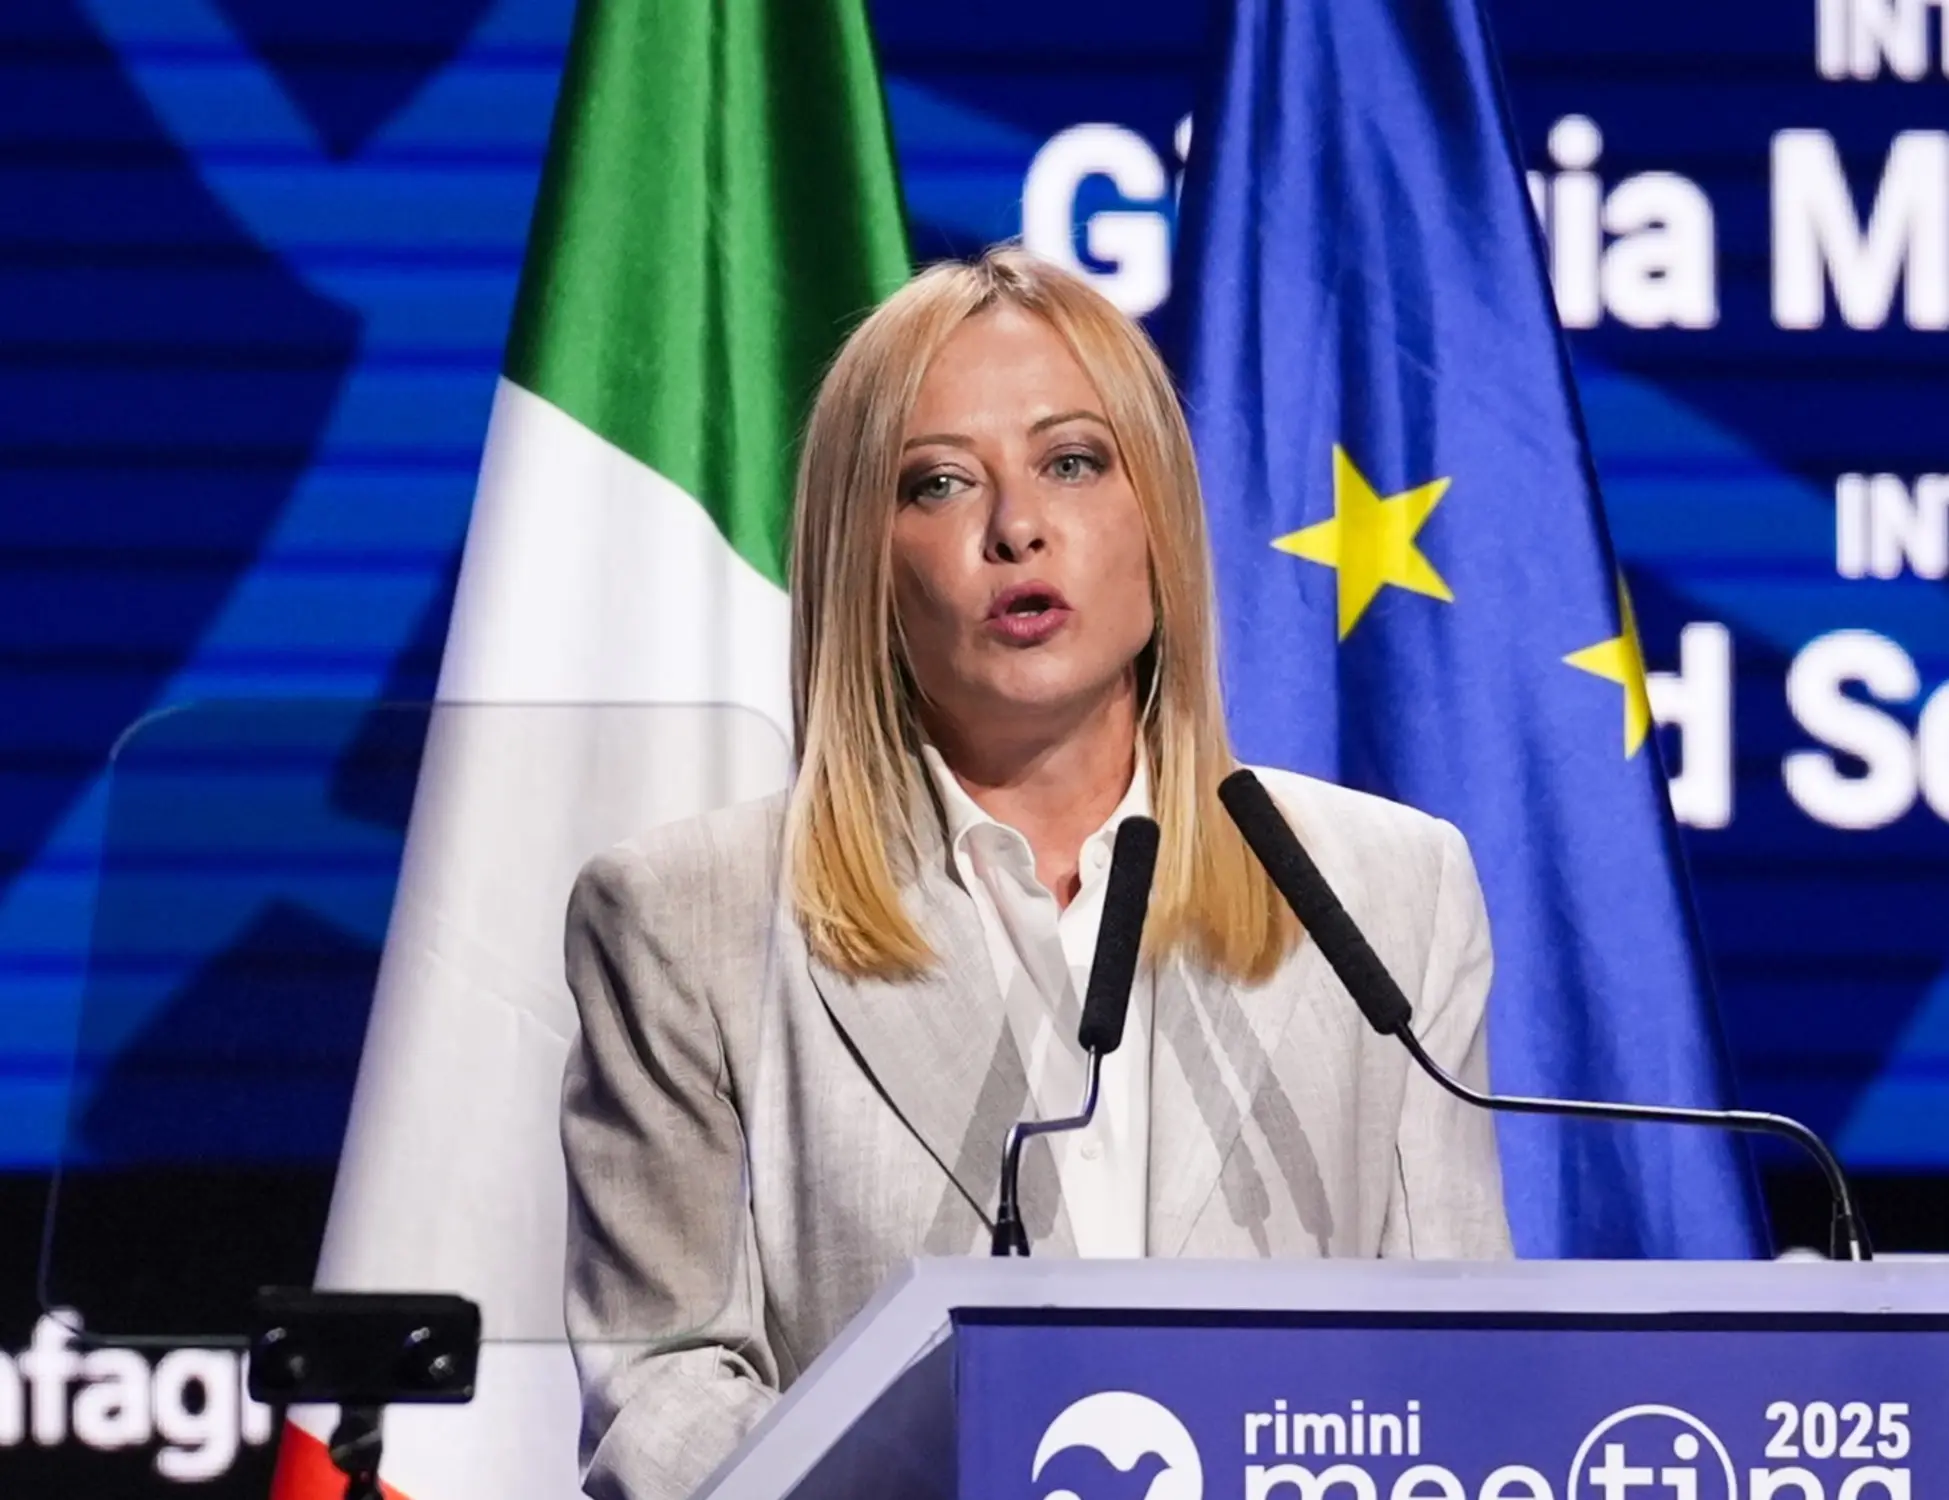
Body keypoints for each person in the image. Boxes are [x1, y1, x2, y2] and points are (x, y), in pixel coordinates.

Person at [559, 248, 1511, 1500]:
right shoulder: (689, 918)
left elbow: (1460, 1361)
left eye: (1072, 462)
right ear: (862, 561)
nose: (1016, 527)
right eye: (939, 483)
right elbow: (663, 1387)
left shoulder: (1386, 893)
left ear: (1157, 517)